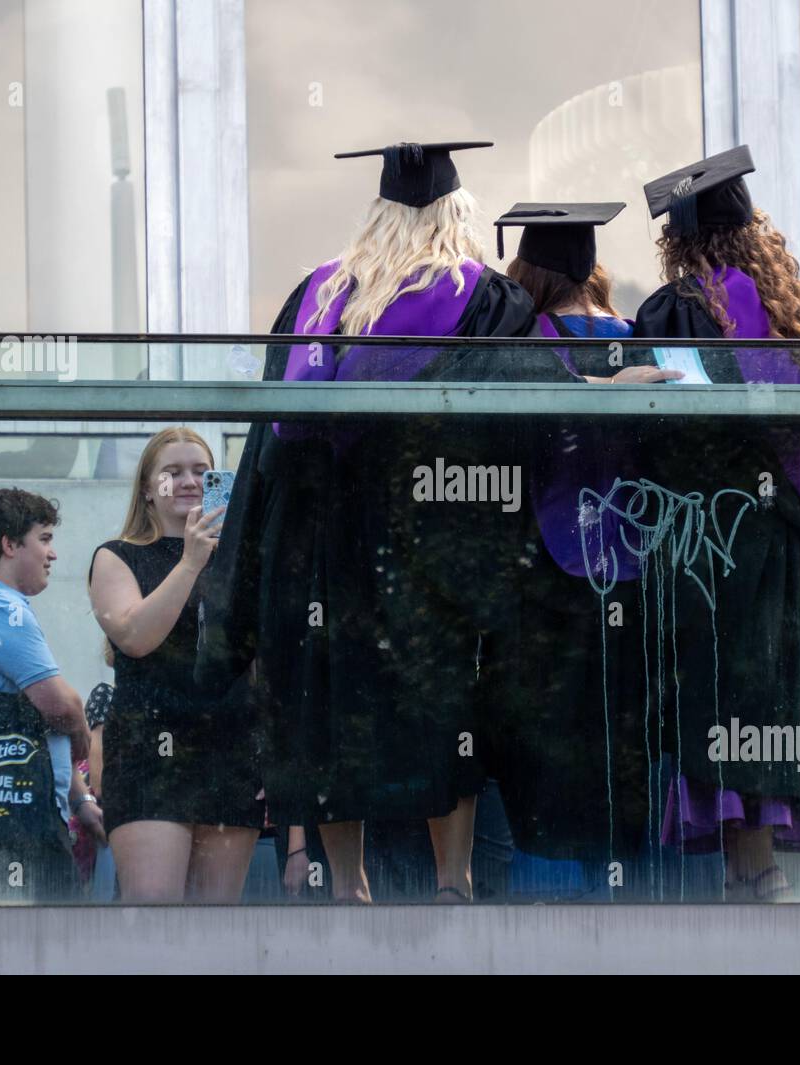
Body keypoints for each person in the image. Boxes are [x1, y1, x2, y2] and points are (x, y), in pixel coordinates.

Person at [197, 140, 585, 903]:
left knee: (332, 702)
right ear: (454, 214)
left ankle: (350, 886)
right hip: (433, 539)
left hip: (323, 546)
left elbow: (271, 443)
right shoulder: (481, 295)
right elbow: (539, 398)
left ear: (376, 213)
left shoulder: (316, 294)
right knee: (447, 700)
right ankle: (453, 880)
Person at [633, 145, 800, 898]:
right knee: (773, 706)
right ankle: (764, 873)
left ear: (679, 243)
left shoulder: (678, 310)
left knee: (724, 701)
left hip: (717, 553)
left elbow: (666, 448)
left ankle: (748, 877)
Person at [486, 202, 679, 895]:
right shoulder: (639, 339)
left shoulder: (521, 341)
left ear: (526, 270)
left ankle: (551, 910)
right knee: (625, 745)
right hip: (637, 569)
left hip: (544, 574)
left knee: (546, 755)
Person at [88, 427, 262, 903]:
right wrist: (189, 563)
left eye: (202, 472)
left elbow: (258, 666)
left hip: (229, 746)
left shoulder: (238, 561)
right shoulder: (116, 556)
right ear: (147, 488)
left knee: (215, 927)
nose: (188, 481)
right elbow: (136, 637)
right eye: (172, 472)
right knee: (154, 914)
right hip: (149, 748)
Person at [0, 488, 99, 900]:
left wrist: (80, 800)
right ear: (9, 544)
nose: (53, 553)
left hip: (23, 815)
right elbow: (60, 706)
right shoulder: (3, 608)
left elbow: (37, 723)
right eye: (44, 538)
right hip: (20, 826)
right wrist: (81, 729)